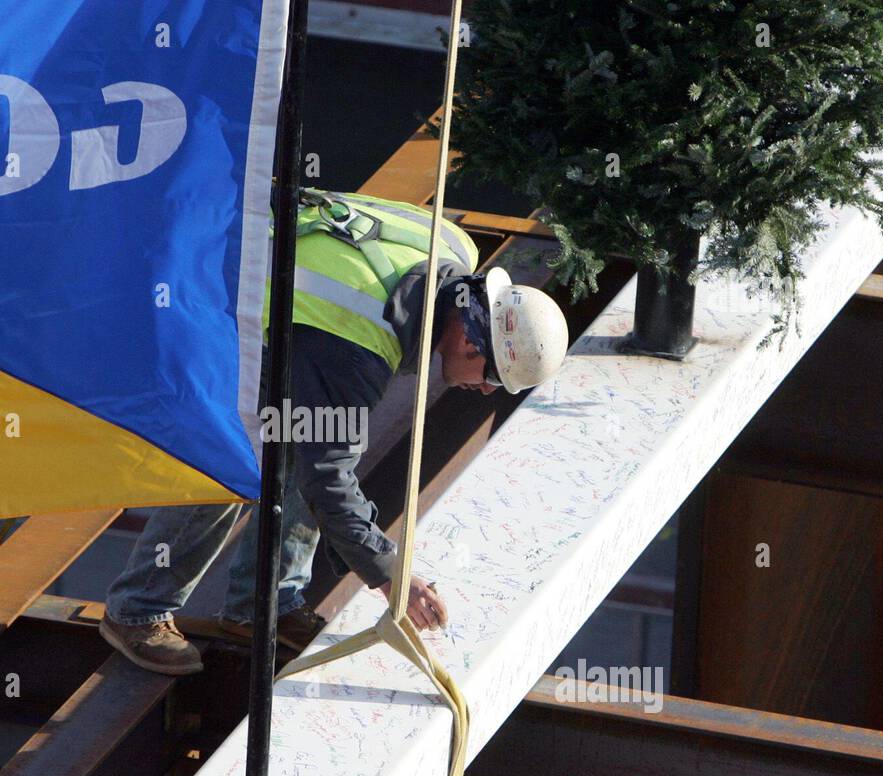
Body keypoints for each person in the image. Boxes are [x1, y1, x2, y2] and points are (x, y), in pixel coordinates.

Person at [101, 189, 568, 675]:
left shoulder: (450, 244)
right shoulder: (358, 341)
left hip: (245, 267)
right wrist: (389, 574)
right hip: (195, 295)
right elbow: (328, 478)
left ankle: (265, 605)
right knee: (238, 454)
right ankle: (138, 609)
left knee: (314, 432)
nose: (488, 393)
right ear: (472, 343)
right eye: (493, 378)